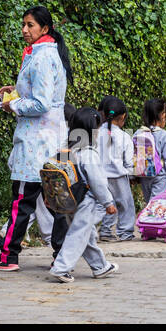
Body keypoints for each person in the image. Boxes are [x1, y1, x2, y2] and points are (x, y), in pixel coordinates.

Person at [0, 6, 71, 273]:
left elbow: (42, 103)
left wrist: (14, 105)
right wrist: (17, 91)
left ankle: (8, 255)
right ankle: (61, 255)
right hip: (57, 139)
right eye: (24, 24)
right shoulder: (47, 52)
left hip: (36, 142)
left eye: (30, 25)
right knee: (59, 200)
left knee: (21, 201)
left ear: (44, 29)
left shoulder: (42, 57)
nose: (24, 30)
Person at [48, 107, 118, 283]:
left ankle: (100, 266)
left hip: (68, 200)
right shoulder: (88, 153)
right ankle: (61, 268)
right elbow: (98, 182)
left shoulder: (65, 151)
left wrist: (50, 198)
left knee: (86, 234)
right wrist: (108, 202)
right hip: (85, 201)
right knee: (78, 234)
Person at [97, 95, 135, 242]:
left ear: (104, 114)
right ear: (122, 117)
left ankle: (105, 231)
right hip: (118, 178)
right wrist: (131, 176)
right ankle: (125, 232)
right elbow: (128, 162)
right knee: (125, 205)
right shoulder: (125, 136)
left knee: (106, 204)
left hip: (100, 176)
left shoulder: (95, 134)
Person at [137, 97, 166, 203]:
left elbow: (133, 156)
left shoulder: (138, 133)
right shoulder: (165, 136)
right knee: (155, 204)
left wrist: (133, 176)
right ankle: (151, 219)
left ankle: (149, 218)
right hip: (160, 177)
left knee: (149, 202)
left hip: (144, 176)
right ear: (162, 115)